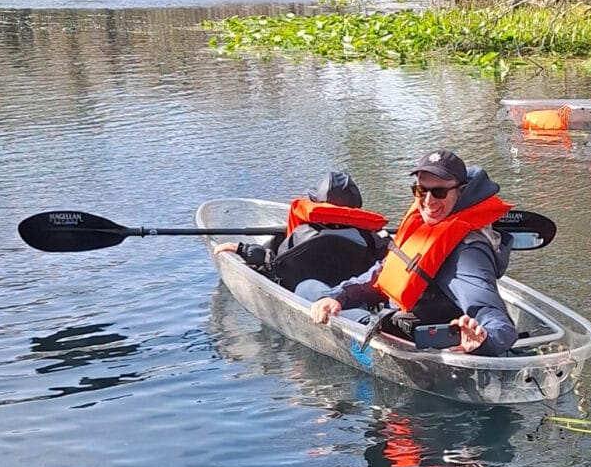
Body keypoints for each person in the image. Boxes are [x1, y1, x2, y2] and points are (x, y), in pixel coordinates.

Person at [306, 149, 518, 357]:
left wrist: (482, 340)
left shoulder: (467, 255)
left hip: (405, 336)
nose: (428, 201)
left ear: (460, 192)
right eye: (421, 191)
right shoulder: (429, 225)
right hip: (394, 315)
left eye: (439, 192)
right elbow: (384, 273)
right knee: (323, 295)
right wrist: (338, 296)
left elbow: (499, 323)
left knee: (306, 288)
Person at [211, 170, 387, 288]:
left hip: (304, 290)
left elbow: (273, 263)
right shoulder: (369, 238)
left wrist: (243, 249)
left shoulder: (302, 234)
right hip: (353, 293)